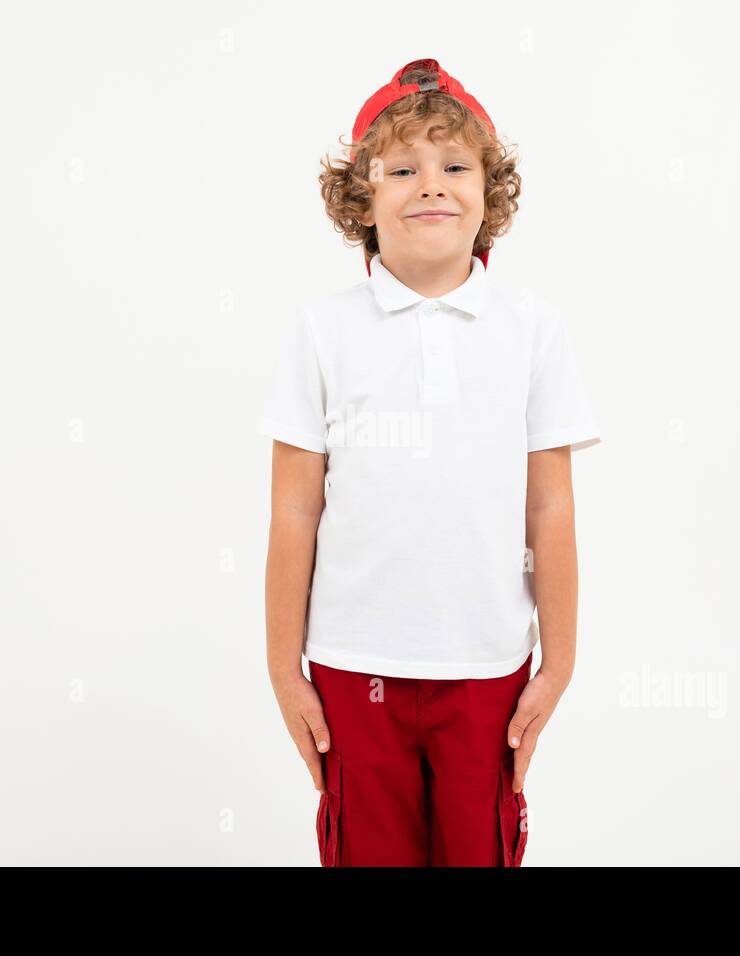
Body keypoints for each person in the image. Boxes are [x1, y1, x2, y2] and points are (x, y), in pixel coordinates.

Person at [259, 58, 602, 866]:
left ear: (489, 193)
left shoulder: (533, 331)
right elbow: (293, 509)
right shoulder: (322, 331)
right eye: (402, 169)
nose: (430, 186)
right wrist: (284, 670)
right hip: (352, 668)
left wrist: (560, 663)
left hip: (486, 670)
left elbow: (550, 507)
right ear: (363, 197)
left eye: (454, 166)